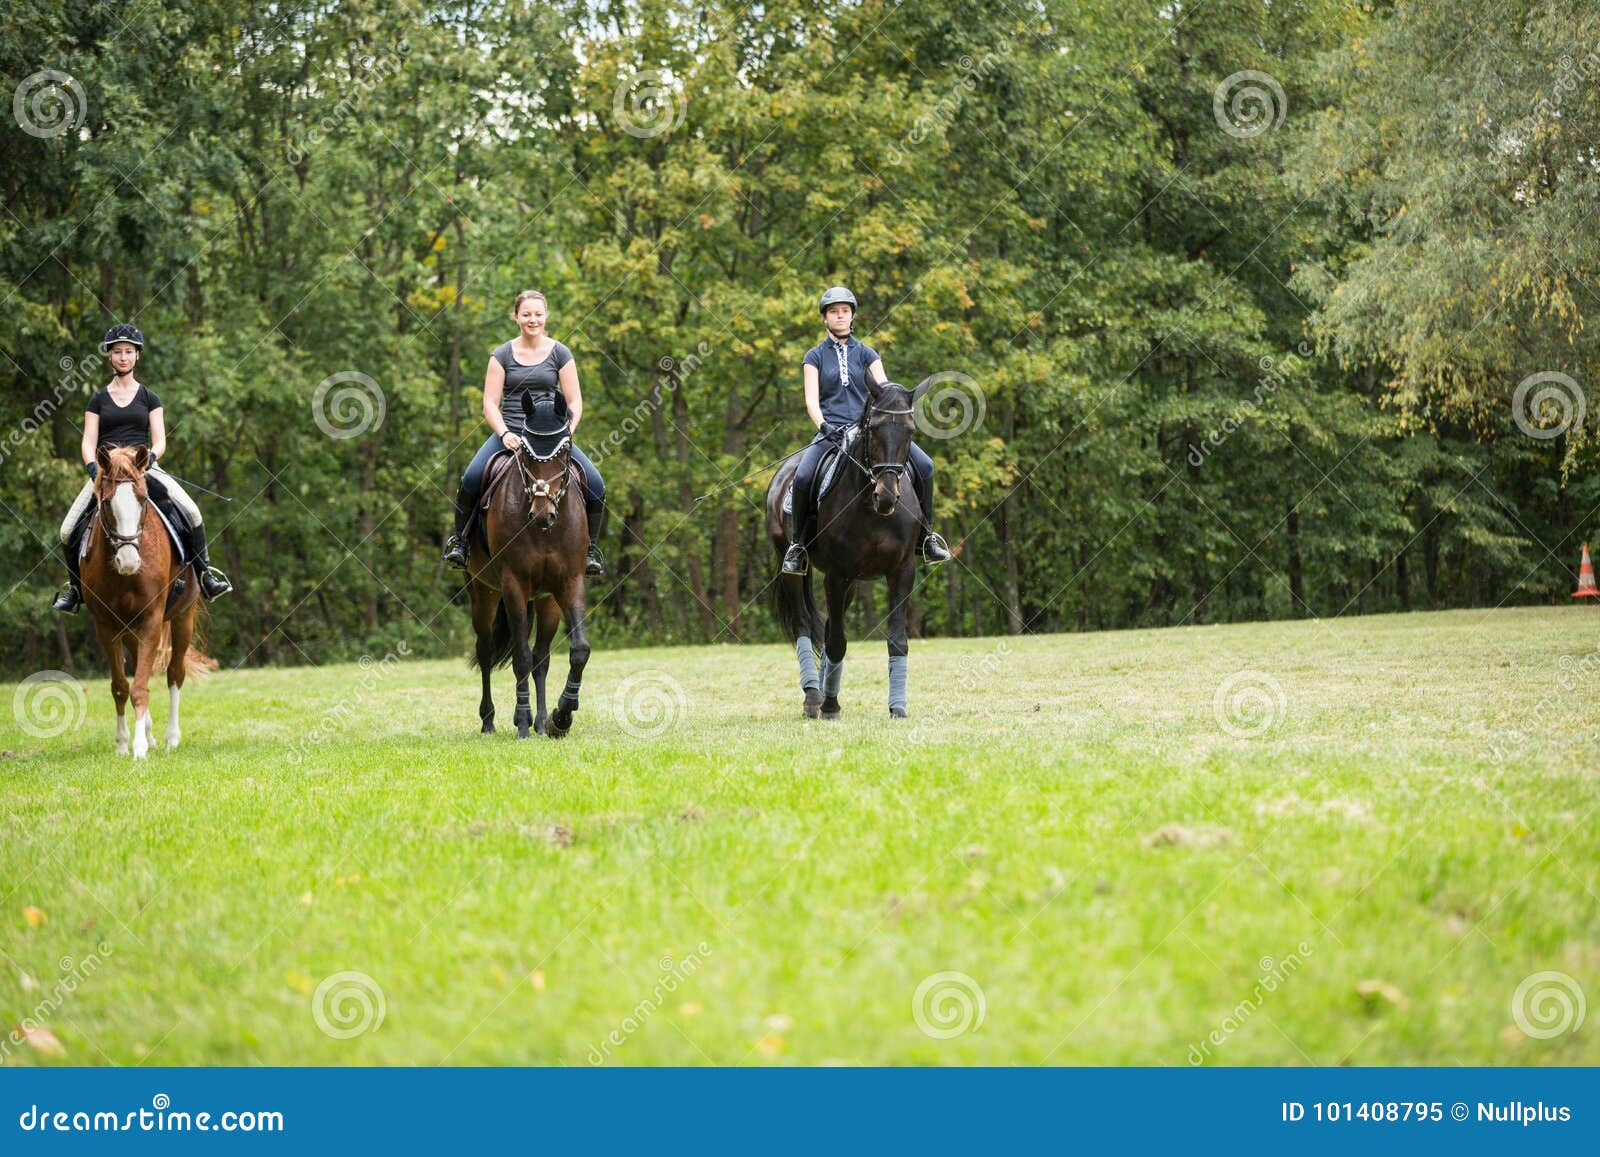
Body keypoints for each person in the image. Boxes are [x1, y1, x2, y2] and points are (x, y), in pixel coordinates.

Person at [52, 324, 233, 613]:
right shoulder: (97, 399)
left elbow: (160, 441)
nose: (122, 357)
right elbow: (88, 441)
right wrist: (92, 467)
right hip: (107, 472)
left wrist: (146, 459)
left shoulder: (150, 398)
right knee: (66, 530)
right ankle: (75, 589)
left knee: (193, 512)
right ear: (110, 357)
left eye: (128, 352)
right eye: (117, 352)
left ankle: (206, 575)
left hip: (142, 469)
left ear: (137, 356)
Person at [782, 286, 952, 575]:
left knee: (925, 465)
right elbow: (811, 400)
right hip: (831, 432)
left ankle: (927, 537)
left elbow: (884, 391)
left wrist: (895, 412)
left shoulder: (867, 353)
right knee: (803, 475)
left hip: (872, 433)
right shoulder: (814, 357)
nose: (840, 316)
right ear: (825, 318)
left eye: (844, 312)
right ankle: (797, 547)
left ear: (852, 316)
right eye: (834, 312)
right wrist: (824, 426)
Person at [443, 290, 607, 576]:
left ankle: (590, 549)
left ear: (546, 317)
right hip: (512, 432)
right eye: (526, 314)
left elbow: (575, 402)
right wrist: (504, 433)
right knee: (471, 477)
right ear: (516, 317)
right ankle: (461, 544)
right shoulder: (502, 355)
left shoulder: (560, 353)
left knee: (596, 483)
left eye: (538, 314)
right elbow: (490, 403)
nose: (533, 320)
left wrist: (568, 430)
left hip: (552, 438)